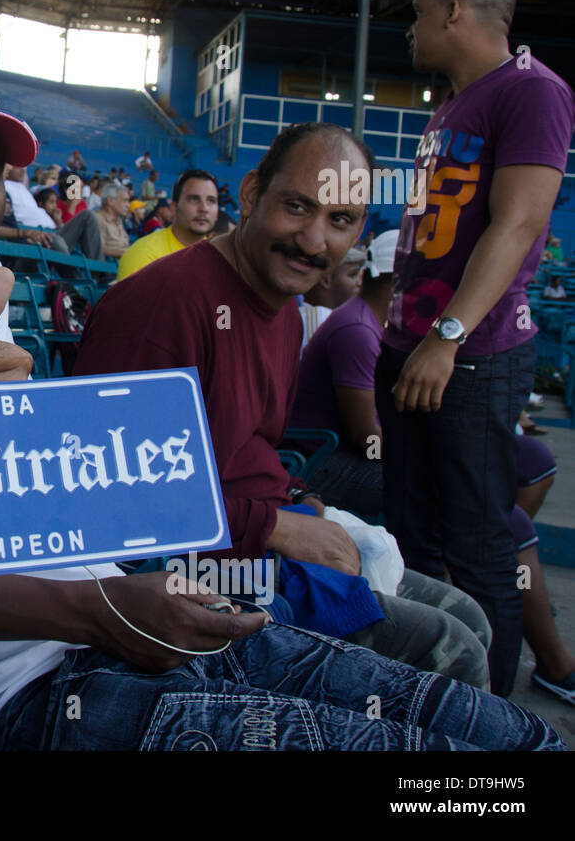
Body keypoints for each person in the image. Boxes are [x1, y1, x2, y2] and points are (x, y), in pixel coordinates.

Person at [0, 67, 562, 753]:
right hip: (21, 685)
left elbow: (66, 505)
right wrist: (105, 605)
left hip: (130, 621)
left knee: (515, 736)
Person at [77, 123, 494, 690]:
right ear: (251, 195)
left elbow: (246, 448)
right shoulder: (162, 304)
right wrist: (274, 528)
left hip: (269, 531)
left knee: (469, 617)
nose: (313, 241)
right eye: (298, 207)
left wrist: (301, 502)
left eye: (340, 221)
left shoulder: (286, 308)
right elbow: (108, 499)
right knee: (453, 649)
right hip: (197, 573)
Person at [377, 0, 575, 696]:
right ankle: (429, 693)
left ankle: (486, 718)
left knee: (480, 542)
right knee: (413, 535)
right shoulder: (454, 104)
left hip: (468, 354)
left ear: (455, 11)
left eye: (420, 13)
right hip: (413, 346)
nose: (411, 30)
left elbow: (520, 222)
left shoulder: (533, 90)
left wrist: (447, 336)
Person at [291, 230, 575, 705]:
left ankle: (468, 573)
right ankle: (549, 661)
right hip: (326, 464)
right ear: (398, 276)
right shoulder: (358, 329)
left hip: (355, 453)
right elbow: (371, 441)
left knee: (528, 472)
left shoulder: (396, 325)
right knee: (500, 519)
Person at [115, 168, 218, 280]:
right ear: (174, 207)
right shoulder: (143, 255)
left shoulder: (220, 258)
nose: (204, 208)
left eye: (211, 201)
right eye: (194, 199)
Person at [300, 246, 365, 348]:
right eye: (353, 275)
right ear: (326, 280)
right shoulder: (323, 317)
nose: (360, 283)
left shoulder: (302, 314)